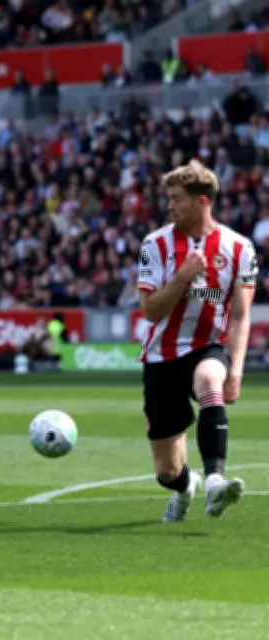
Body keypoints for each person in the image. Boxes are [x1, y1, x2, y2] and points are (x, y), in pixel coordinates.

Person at [137, 159, 257, 522]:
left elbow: (239, 316)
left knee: (209, 379)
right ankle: (186, 486)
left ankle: (216, 483)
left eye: (176, 198)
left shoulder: (239, 249)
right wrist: (182, 277)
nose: (169, 206)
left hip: (209, 346)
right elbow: (150, 311)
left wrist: (235, 370)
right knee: (167, 470)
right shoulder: (155, 244)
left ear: (202, 200)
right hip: (162, 355)